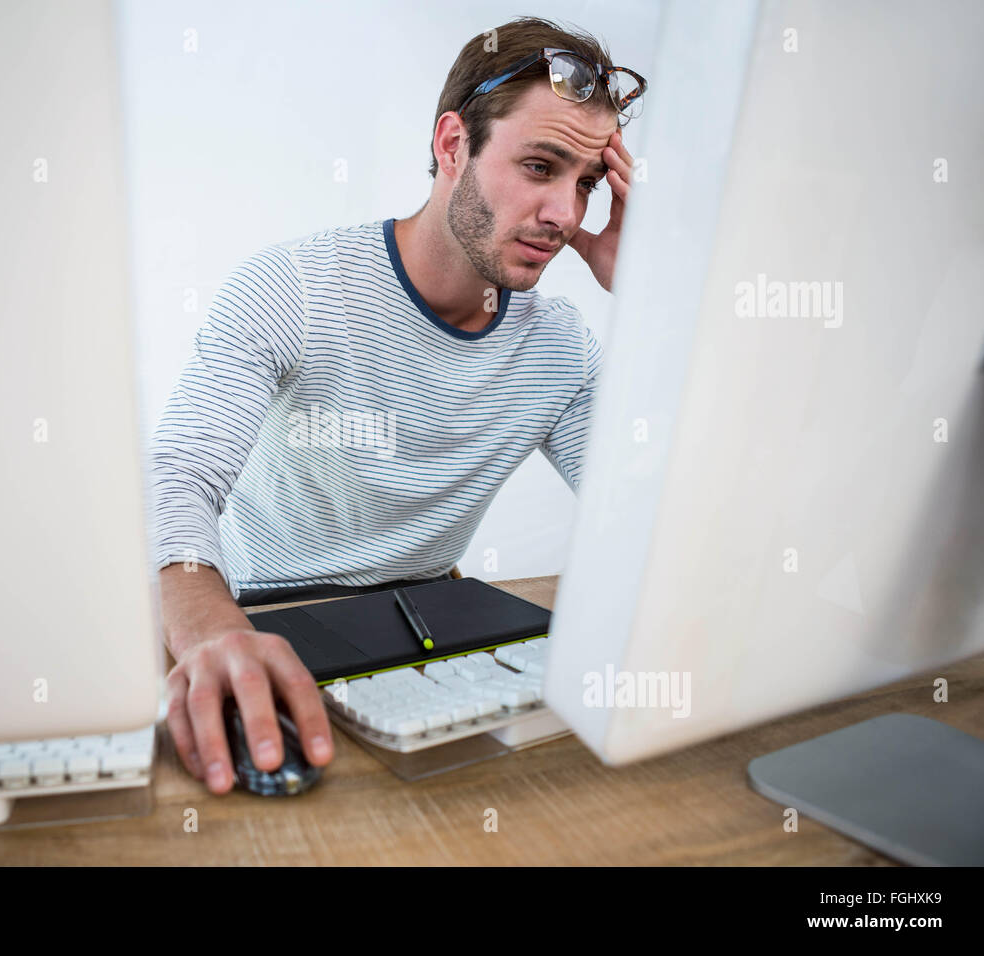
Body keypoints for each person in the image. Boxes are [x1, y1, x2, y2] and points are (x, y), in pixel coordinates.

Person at [150, 16, 645, 794]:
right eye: (541, 166)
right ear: (453, 145)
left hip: (432, 632)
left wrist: (656, 294)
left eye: (586, 183)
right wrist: (214, 635)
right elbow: (177, 479)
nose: (565, 214)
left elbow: (654, 513)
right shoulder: (296, 291)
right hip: (257, 620)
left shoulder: (562, 346)